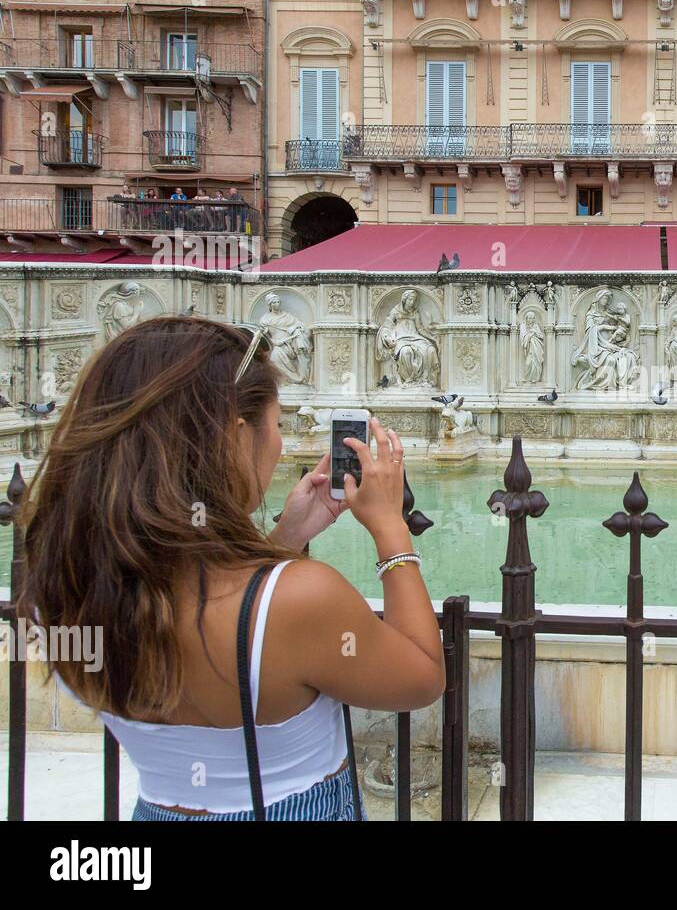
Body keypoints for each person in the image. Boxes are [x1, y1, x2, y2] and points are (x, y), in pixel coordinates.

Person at [18, 317, 445, 820]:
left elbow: (215, 607)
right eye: (278, 423)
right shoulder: (301, 599)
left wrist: (286, 538)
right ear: (235, 434)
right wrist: (390, 531)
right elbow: (422, 676)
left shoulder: (61, 590)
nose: (280, 443)